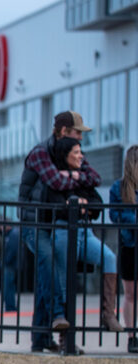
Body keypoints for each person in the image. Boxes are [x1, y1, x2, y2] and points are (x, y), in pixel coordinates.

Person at [18, 110, 101, 352]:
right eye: (77, 133)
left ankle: (40, 339)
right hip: (34, 222)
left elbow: (95, 177)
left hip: (50, 223)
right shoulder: (41, 153)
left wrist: (72, 173)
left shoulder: (68, 152)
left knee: (46, 273)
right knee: (48, 260)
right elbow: (56, 181)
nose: (81, 139)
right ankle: (57, 316)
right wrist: (76, 175)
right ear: (64, 131)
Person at [47, 136, 122, 333]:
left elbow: (97, 205)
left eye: (81, 152)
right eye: (76, 152)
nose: (81, 156)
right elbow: (56, 207)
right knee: (64, 279)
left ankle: (108, 314)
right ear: (66, 155)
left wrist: (82, 205)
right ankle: (64, 331)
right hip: (63, 231)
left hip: (85, 232)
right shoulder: (55, 179)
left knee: (109, 258)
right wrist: (76, 206)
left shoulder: (83, 178)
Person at [109, 145, 138, 352]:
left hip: (130, 242)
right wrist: (134, 219)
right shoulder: (118, 188)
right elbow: (114, 214)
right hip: (129, 244)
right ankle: (132, 336)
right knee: (130, 293)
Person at [2, 225, 20, 312]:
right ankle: (10, 306)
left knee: (8, 286)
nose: (1, 228)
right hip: (10, 264)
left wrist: (6, 261)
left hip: (10, 264)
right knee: (9, 286)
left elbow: (12, 249)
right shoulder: (10, 234)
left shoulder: (13, 234)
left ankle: (10, 306)